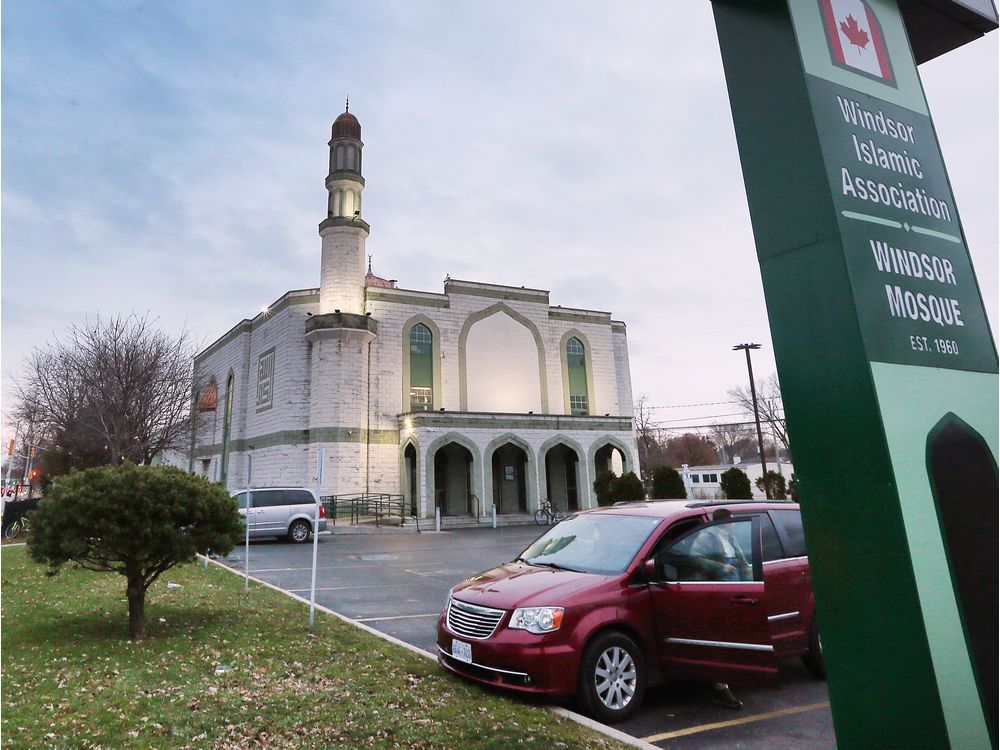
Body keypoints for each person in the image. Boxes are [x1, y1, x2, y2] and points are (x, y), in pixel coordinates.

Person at [690, 507, 751, 582]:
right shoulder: (706, 537)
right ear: (726, 522)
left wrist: (748, 572)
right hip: (719, 584)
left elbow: (742, 560)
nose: (734, 524)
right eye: (732, 521)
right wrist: (721, 567)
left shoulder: (732, 538)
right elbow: (695, 559)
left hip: (739, 582)